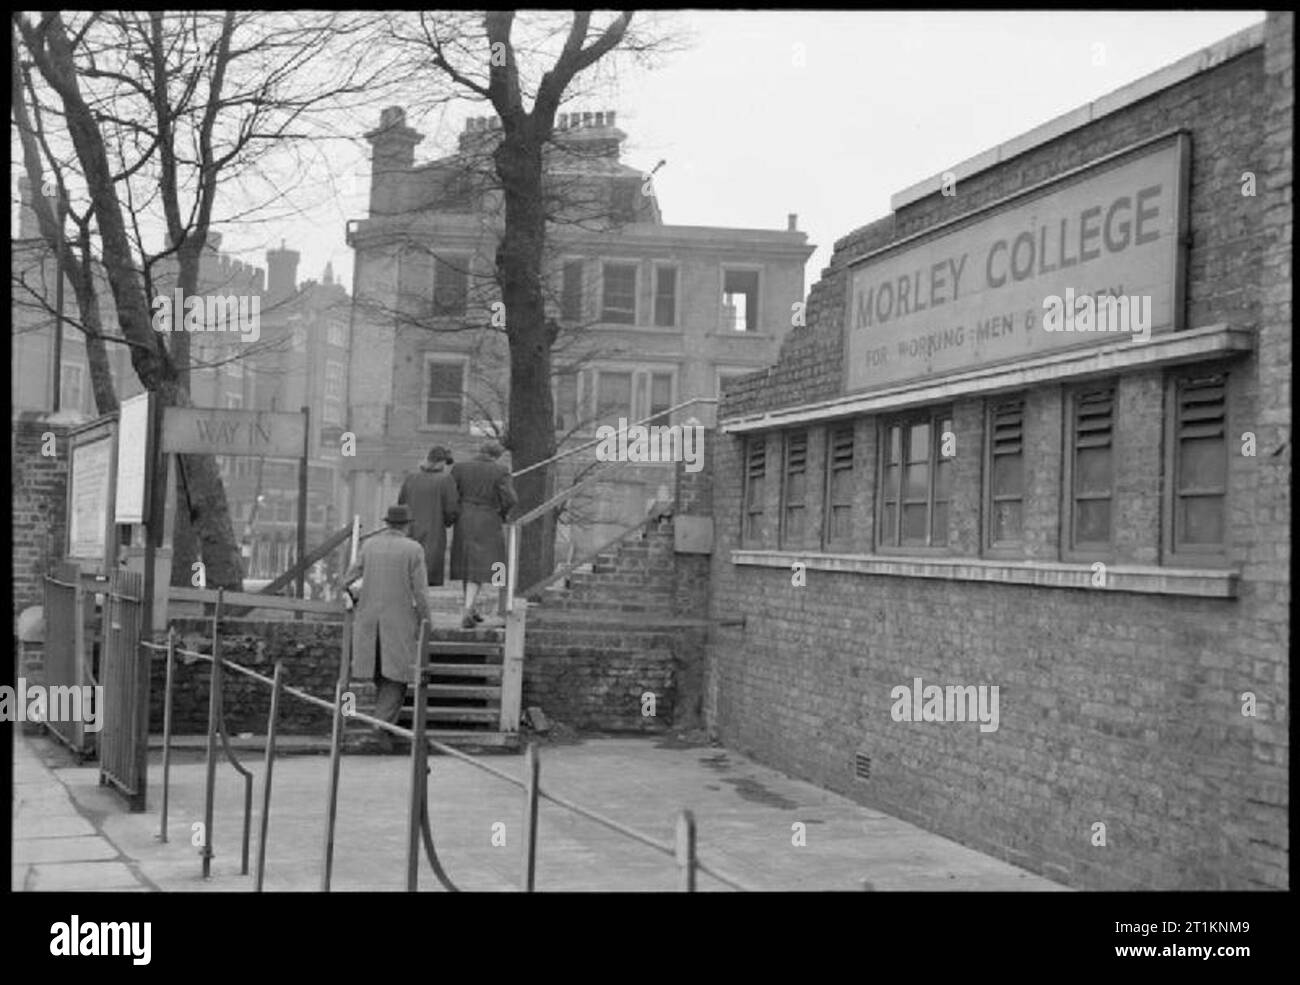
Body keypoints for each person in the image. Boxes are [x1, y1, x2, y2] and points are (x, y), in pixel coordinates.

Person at [342, 504, 432, 751]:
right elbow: (420, 592)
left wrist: (353, 596)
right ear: (407, 525)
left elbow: (347, 579)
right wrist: (426, 620)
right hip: (398, 622)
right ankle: (380, 726)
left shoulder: (369, 545)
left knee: (380, 673)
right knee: (397, 677)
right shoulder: (413, 549)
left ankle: (382, 727)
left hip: (368, 620)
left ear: (387, 523)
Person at [450, 440, 518, 629]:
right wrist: (502, 513)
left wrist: (455, 514)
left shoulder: (459, 468)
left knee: (468, 563)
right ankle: (469, 609)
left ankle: (470, 607)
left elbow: (451, 495)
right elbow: (511, 499)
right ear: (496, 456)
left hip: (464, 518)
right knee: (487, 565)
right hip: (488, 519)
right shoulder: (500, 471)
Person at [398, 446, 460, 588]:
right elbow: (451, 508)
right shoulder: (445, 480)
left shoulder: (411, 478)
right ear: (441, 462)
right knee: (426, 574)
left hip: (409, 529)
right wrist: (448, 521)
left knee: (408, 571)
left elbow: (401, 503)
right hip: (434, 531)